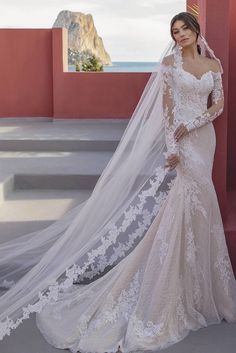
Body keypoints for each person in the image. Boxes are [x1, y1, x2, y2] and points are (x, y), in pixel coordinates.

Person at [0, 11, 236, 353]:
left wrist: (195, 122)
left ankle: (204, 288)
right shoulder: (171, 64)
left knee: (203, 202)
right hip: (182, 144)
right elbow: (168, 110)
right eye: (175, 30)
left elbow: (220, 103)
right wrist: (172, 144)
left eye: (185, 28)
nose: (180, 34)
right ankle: (170, 287)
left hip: (203, 139)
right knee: (182, 203)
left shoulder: (213, 66)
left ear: (197, 30)